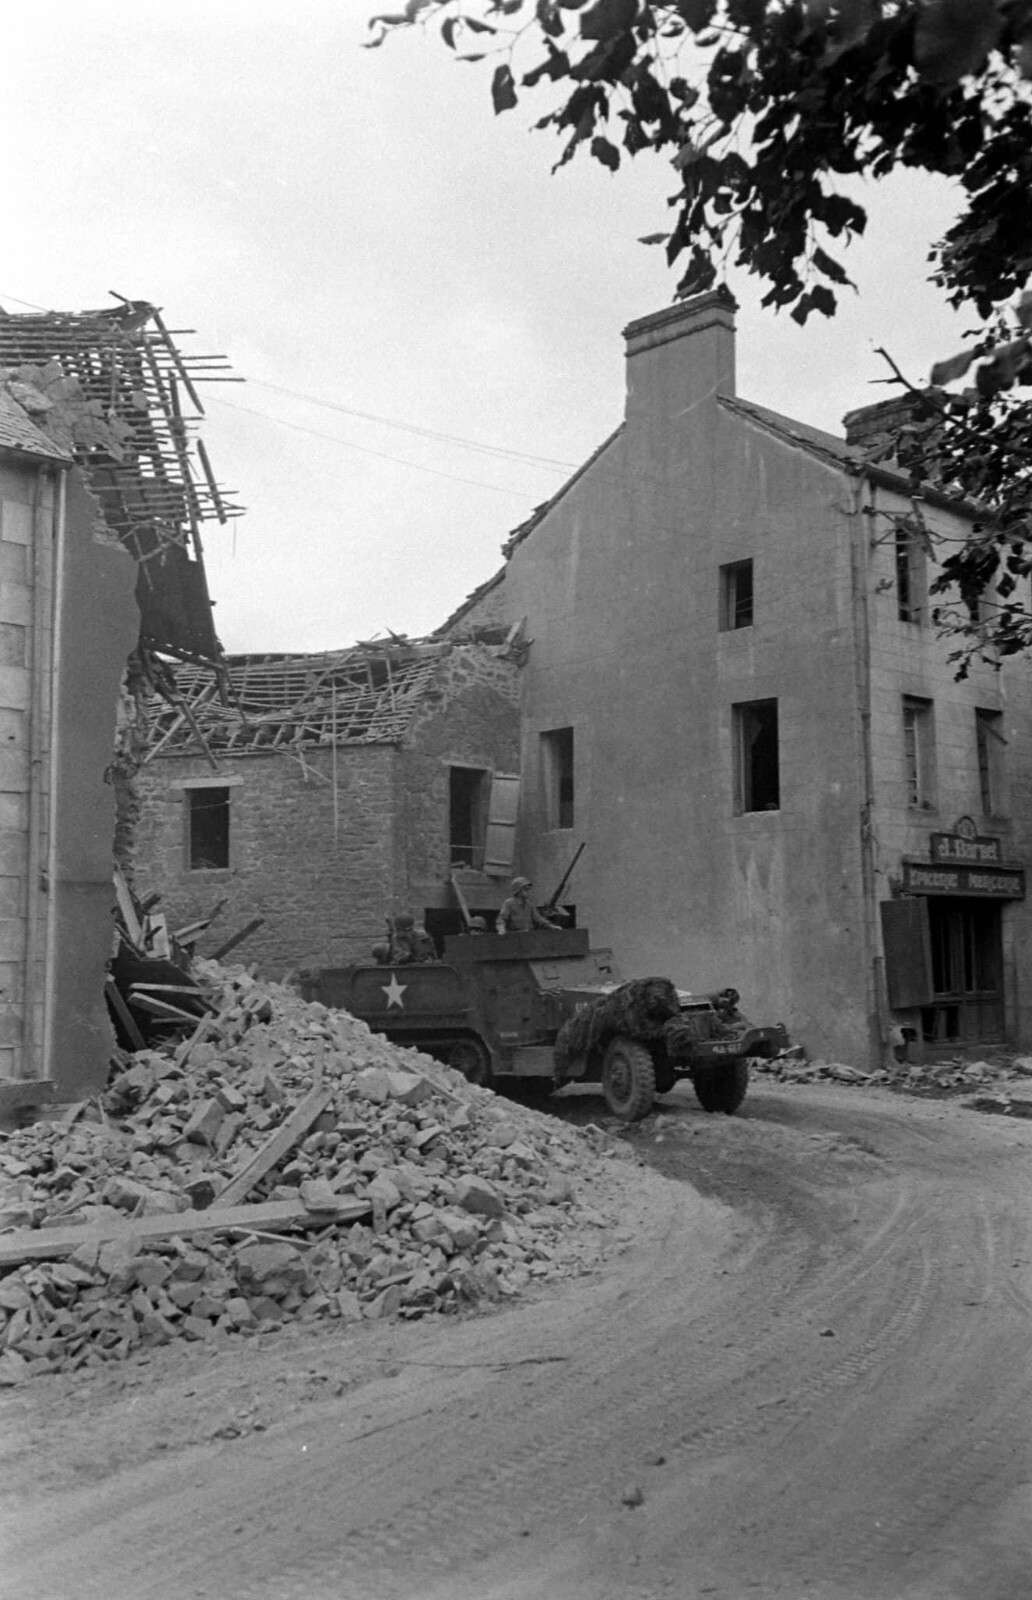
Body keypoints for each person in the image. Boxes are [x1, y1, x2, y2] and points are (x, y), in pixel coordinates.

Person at [495, 876, 560, 935]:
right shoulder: (509, 903)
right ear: (518, 890)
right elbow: (501, 919)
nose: (529, 891)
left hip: (528, 936)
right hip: (514, 937)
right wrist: (501, 929)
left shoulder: (529, 905)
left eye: (529, 889)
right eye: (526, 889)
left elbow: (538, 919)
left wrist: (552, 926)